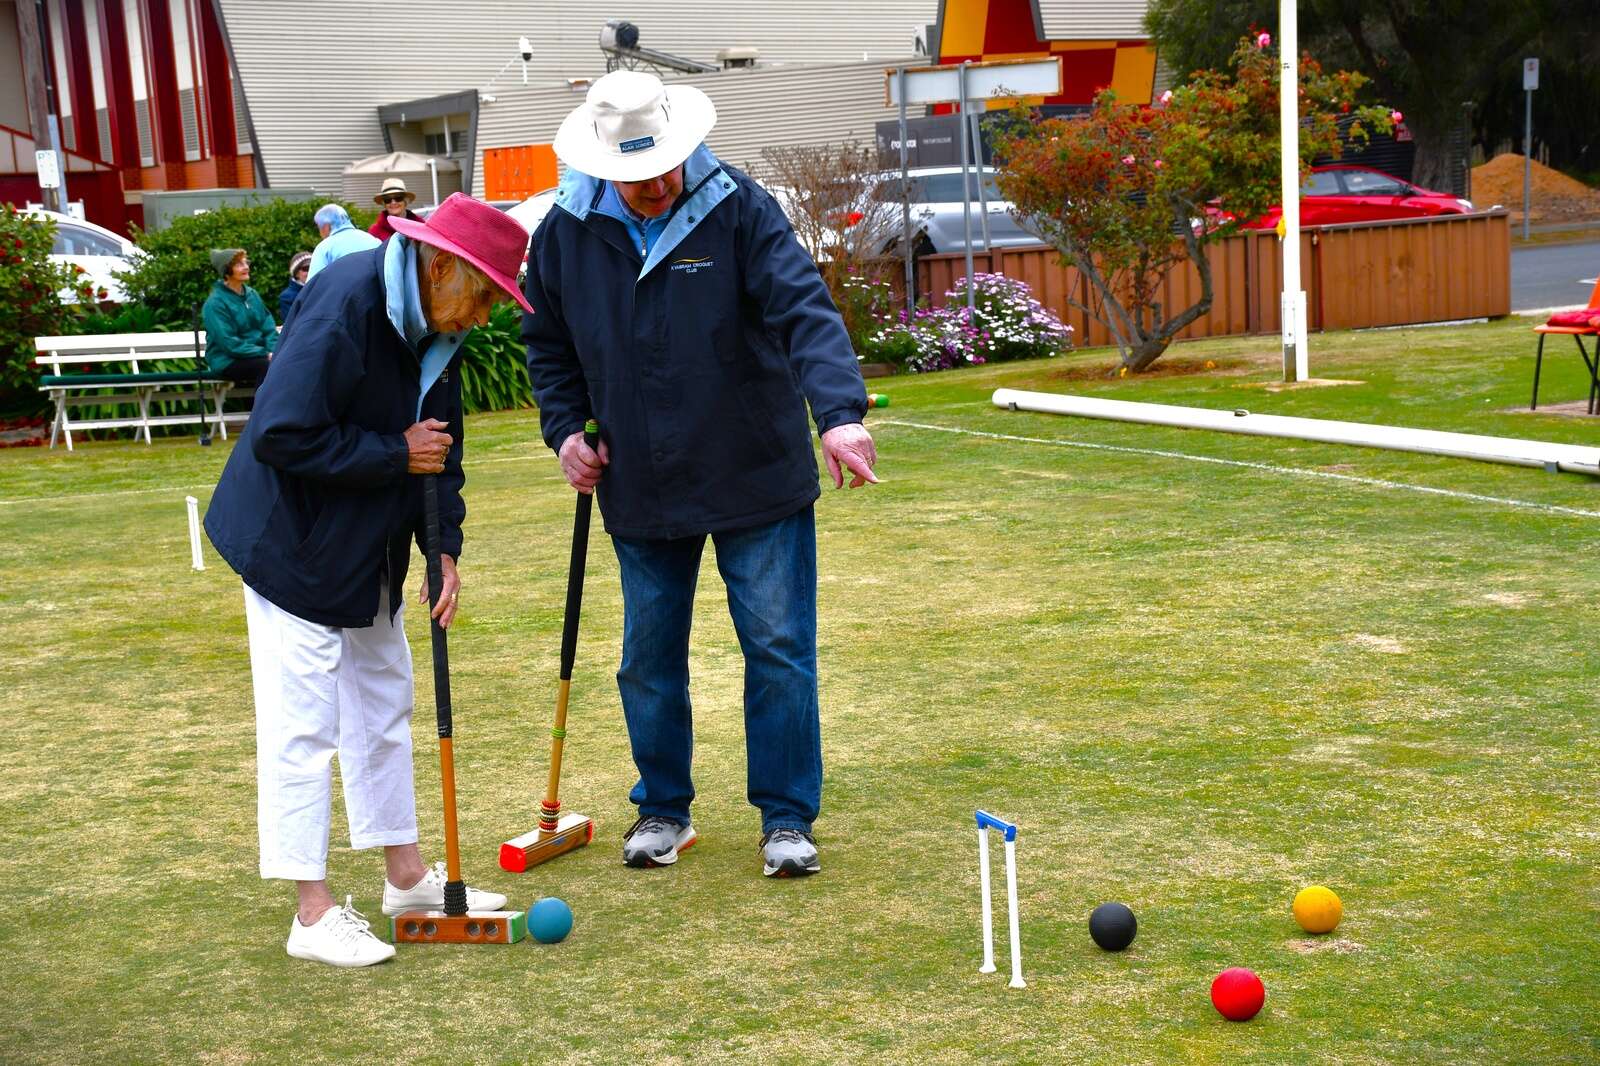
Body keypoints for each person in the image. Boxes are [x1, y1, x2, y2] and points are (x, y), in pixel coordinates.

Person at [522, 70, 879, 879]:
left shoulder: (739, 207)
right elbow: (549, 347)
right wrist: (563, 433)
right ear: (603, 169)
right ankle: (663, 809)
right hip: (640, 479)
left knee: (780, 648)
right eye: (637, 174)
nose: (657, 184)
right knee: (647, 656)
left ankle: (786, 819)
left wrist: (840, 412)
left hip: (755, 468)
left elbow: (803, 309)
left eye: (666, 164)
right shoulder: (565, 233)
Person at [203, 193, 536, 968]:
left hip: (368, 548)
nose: (484, 315)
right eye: (483, 294)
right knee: (304, 726)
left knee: (385, 706)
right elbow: (282, 432)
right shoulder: (347, 300)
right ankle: (312, 914)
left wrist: (441, 548)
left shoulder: (436, 327)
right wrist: (393, 453)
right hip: (294, 543)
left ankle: (406, 876)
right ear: (442, 265)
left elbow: (440, 452)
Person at [202, 248, 277, 386]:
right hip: (226, 360)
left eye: (246, 262)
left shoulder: (252, 295)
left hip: (260, 356)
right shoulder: (215, 303)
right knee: (266, 367)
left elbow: (269, 327)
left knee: (289, 364)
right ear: (226, 271)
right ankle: (264, 408)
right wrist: (265, 353)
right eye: (239, 264)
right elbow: (229, 343)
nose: (246, 267)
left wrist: (274, 351)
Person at [308, 203, 380, 279]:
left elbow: (312, 285)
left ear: (326, 226)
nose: (320, 233)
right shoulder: (373, 240)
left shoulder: (324, 248)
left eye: (319, 227)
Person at [278, 251, 310, 322]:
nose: (310, 271)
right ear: (296, 273)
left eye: (312, 267)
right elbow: (291, 323)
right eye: (306, 268)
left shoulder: (321, 289)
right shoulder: (286, 297)